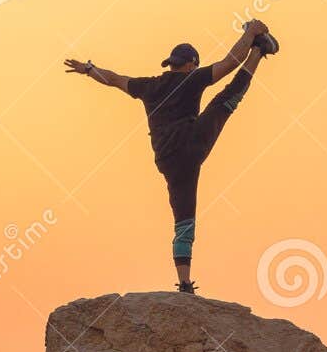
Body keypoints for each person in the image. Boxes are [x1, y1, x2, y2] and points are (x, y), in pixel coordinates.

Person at [64, 20, 279, 294]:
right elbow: (229, 63)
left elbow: (114, 79)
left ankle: (185, 283)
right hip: (191, 144)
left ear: (171, 63)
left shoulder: (148, 86)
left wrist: (89, 69)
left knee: (184, 220)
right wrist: (250, 34)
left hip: (167, 162)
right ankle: (260, 51)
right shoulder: (192, 79)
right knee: (226, 100)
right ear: (191, 64)